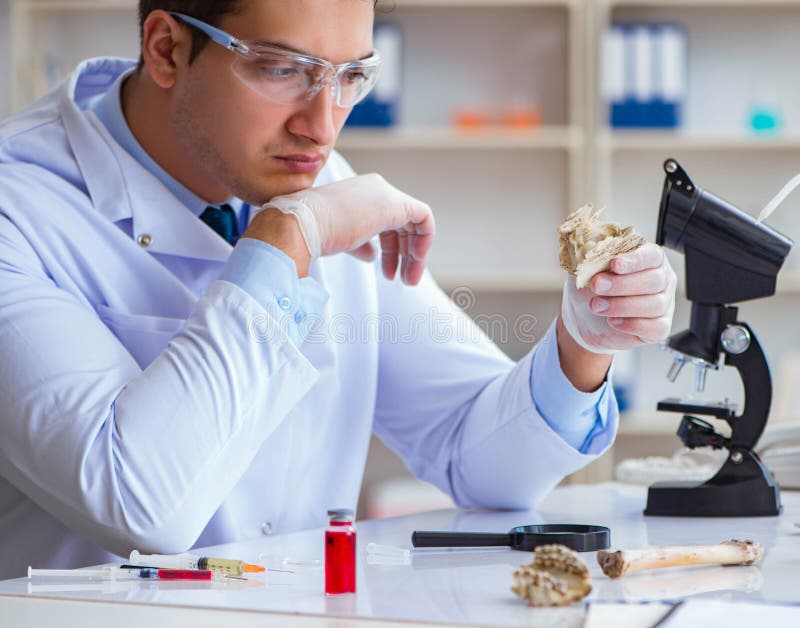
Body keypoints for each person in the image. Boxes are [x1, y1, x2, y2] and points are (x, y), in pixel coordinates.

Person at [0, 0, 676, 579]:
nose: (322, 127)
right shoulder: (19, 210)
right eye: (282, 69)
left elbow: (478, 458)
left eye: (351, 75)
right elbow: (141, 504)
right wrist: (285, 242)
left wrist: (585, 343)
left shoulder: (310, 184)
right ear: (167, 48)